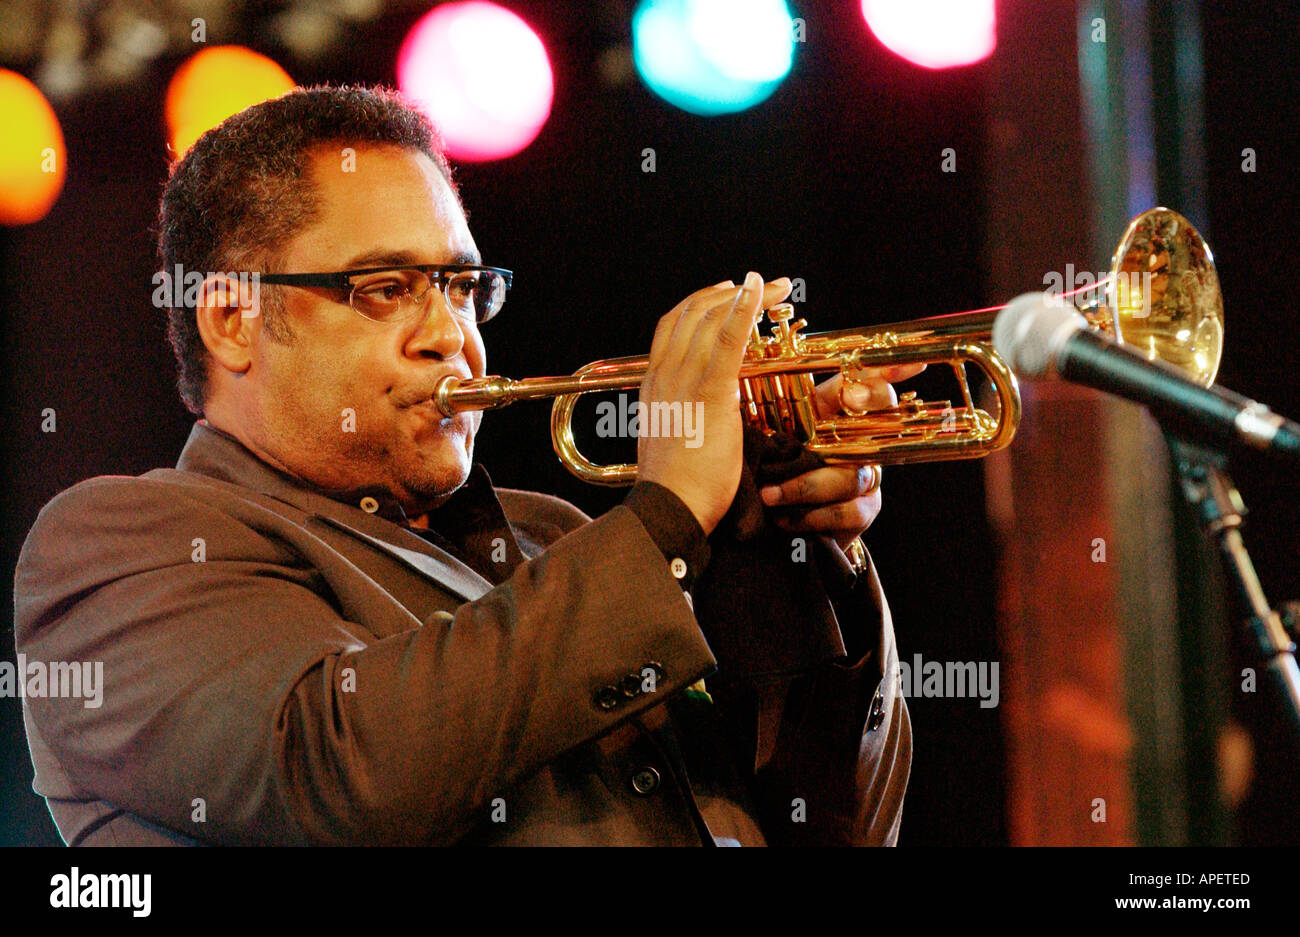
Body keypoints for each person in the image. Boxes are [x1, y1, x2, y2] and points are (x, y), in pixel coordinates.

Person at [13, 86, 912, 846]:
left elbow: (833, 824)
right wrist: (668, 516)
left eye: (460, 287)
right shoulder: (116, 546)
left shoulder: (559, 540)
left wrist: (780, 548)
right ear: (233, 320)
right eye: (387, 289)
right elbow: (340, 766)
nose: (452, 336)